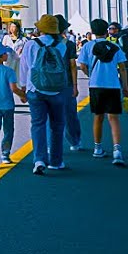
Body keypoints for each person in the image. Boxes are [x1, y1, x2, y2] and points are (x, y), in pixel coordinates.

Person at [19, 14, 70, 175]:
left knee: (38, 124)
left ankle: (39, 159)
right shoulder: (62, 45)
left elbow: (24, 67)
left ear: (40, 28)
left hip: (35, 89)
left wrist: (23, 87)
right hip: (56, 89)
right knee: (57, 125)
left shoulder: (30, 44)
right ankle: (56, 161)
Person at [79, 19, 128, 166]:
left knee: (98, 117)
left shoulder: (87, 46)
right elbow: (123, 68)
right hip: (112, 85)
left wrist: (91, 74)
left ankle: (97, 148)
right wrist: (125, 87)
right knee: (113, 118)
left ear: (92, 31)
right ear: (107, 30)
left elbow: (82, 65)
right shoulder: (114, 46)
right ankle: (117, 151)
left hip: (96, 86)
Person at [55, 14, 83, 152]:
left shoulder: (43, 43)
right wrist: (75, 86)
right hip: (66, 83)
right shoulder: (69, 44)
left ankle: (51, 144)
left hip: (48, 84)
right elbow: (73, 65)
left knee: (50, 114)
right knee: (70, 114)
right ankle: (75, 141)